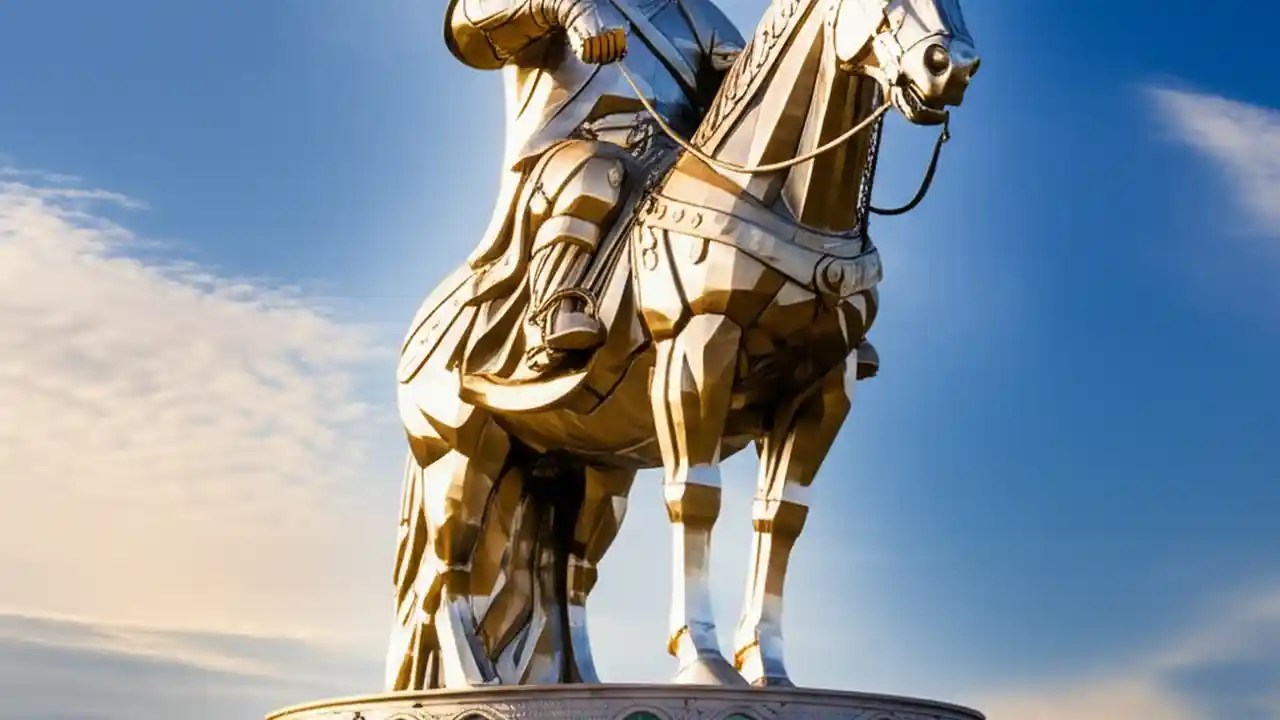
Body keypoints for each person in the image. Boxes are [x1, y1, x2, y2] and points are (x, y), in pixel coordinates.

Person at [445, 0, 744, 368]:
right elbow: (468, 28)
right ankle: (553, 308)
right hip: (576, 146)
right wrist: (569, 7)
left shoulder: (689, 10)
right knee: (596, 172)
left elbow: (747, 71)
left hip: (674, 156)